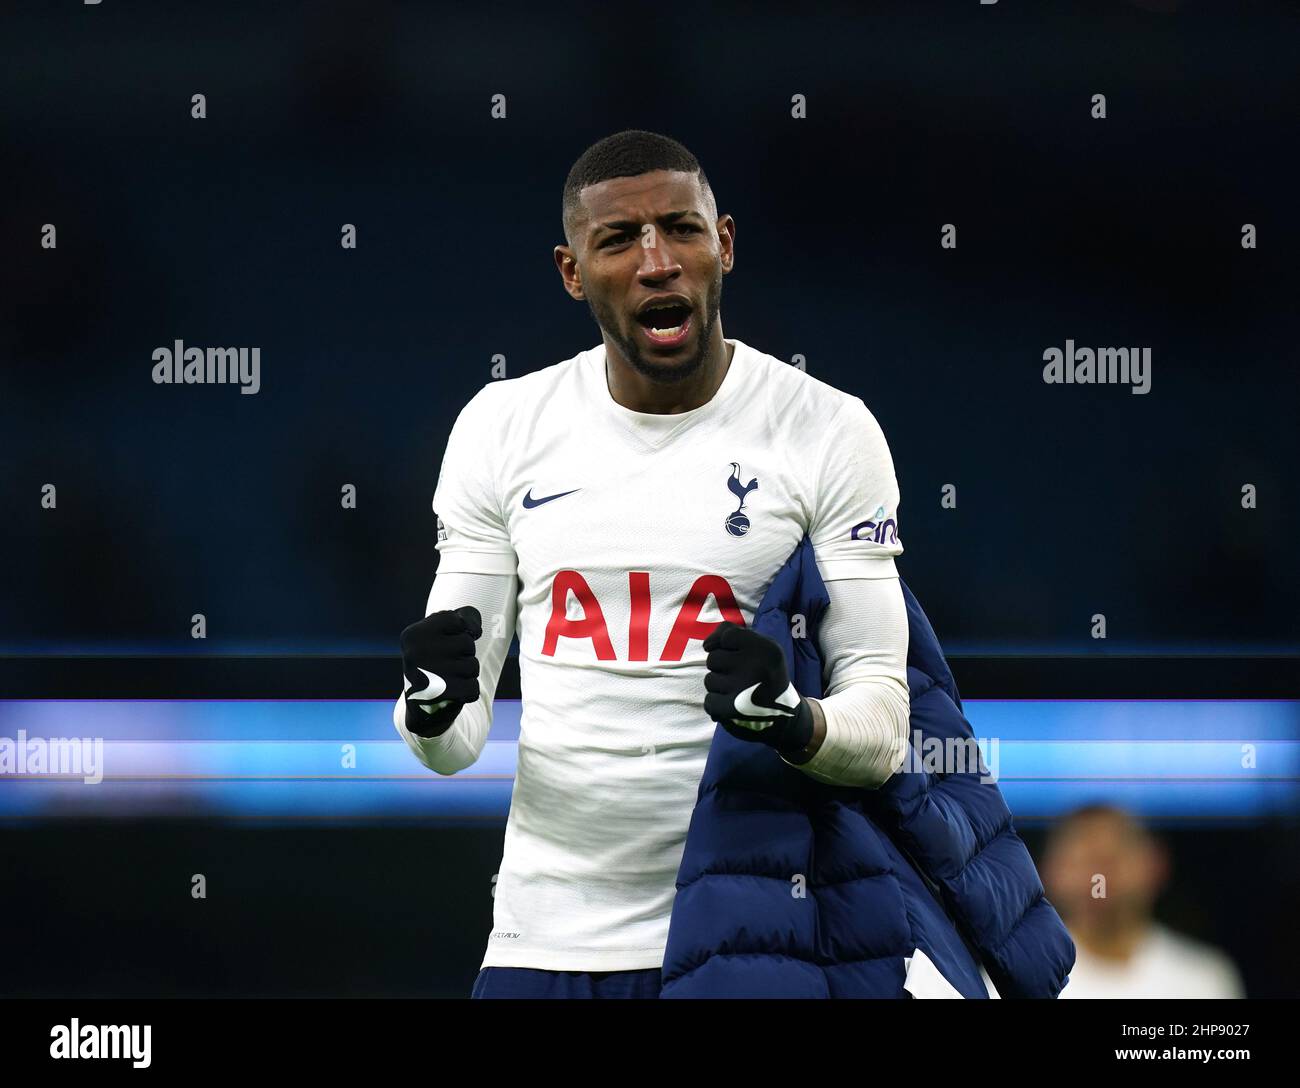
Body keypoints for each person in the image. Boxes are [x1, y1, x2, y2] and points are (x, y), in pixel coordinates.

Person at [394, 130, 914, 998]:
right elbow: (450, 745)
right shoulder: (500, 426)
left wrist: (792, 721)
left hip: (752, 942)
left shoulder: (829, 430)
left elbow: (884, 727)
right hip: (544, 944)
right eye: (618, 240)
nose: (657, 262)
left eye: (681, 229)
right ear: (571, 271)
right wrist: (429, 703)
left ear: (727, 244)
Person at [1041, 804, 1245, 999]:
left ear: (1155, 865)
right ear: (1051, 872)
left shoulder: (1203, 978)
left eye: (1111, 861)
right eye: (1084, 861)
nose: (1098, 877)